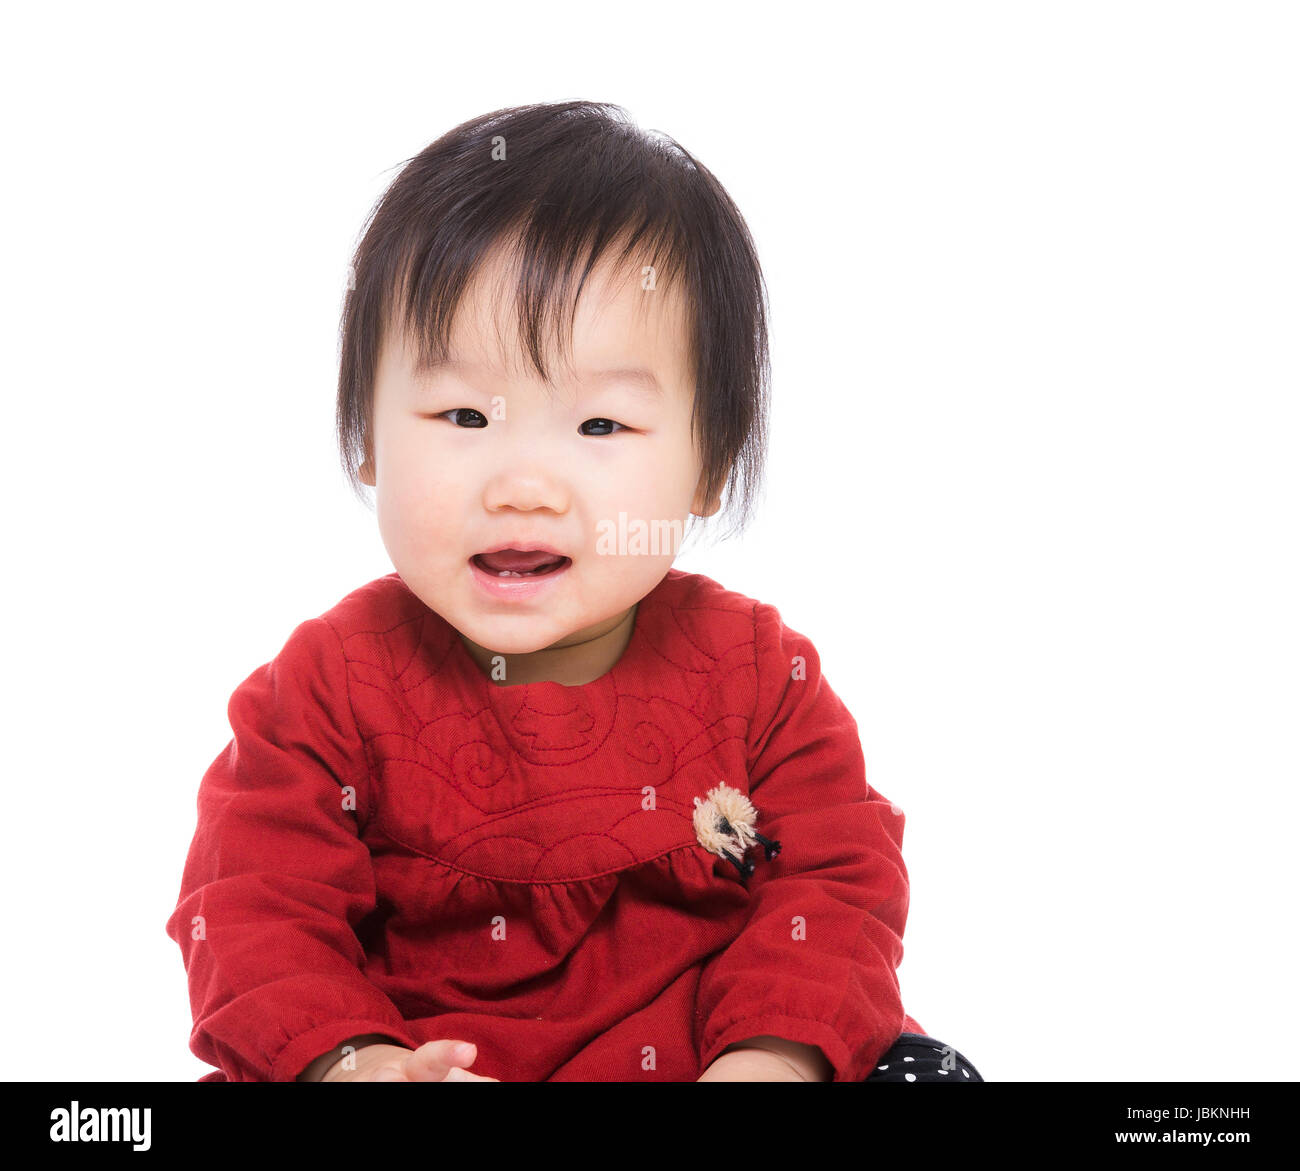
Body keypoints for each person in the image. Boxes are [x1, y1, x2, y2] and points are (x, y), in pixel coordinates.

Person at [165, 100, 983, 1084]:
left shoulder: (761, 681)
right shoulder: (325, 692)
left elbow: (835, 885)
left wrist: (770, 1056)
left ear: (707, 467)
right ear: (368, 439)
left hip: (704, 1058)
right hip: (427, 1061)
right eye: (463, 413)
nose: (522, 484)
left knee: (918, 1069)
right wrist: (356, 1061)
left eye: (599, 427)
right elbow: (252, 906)